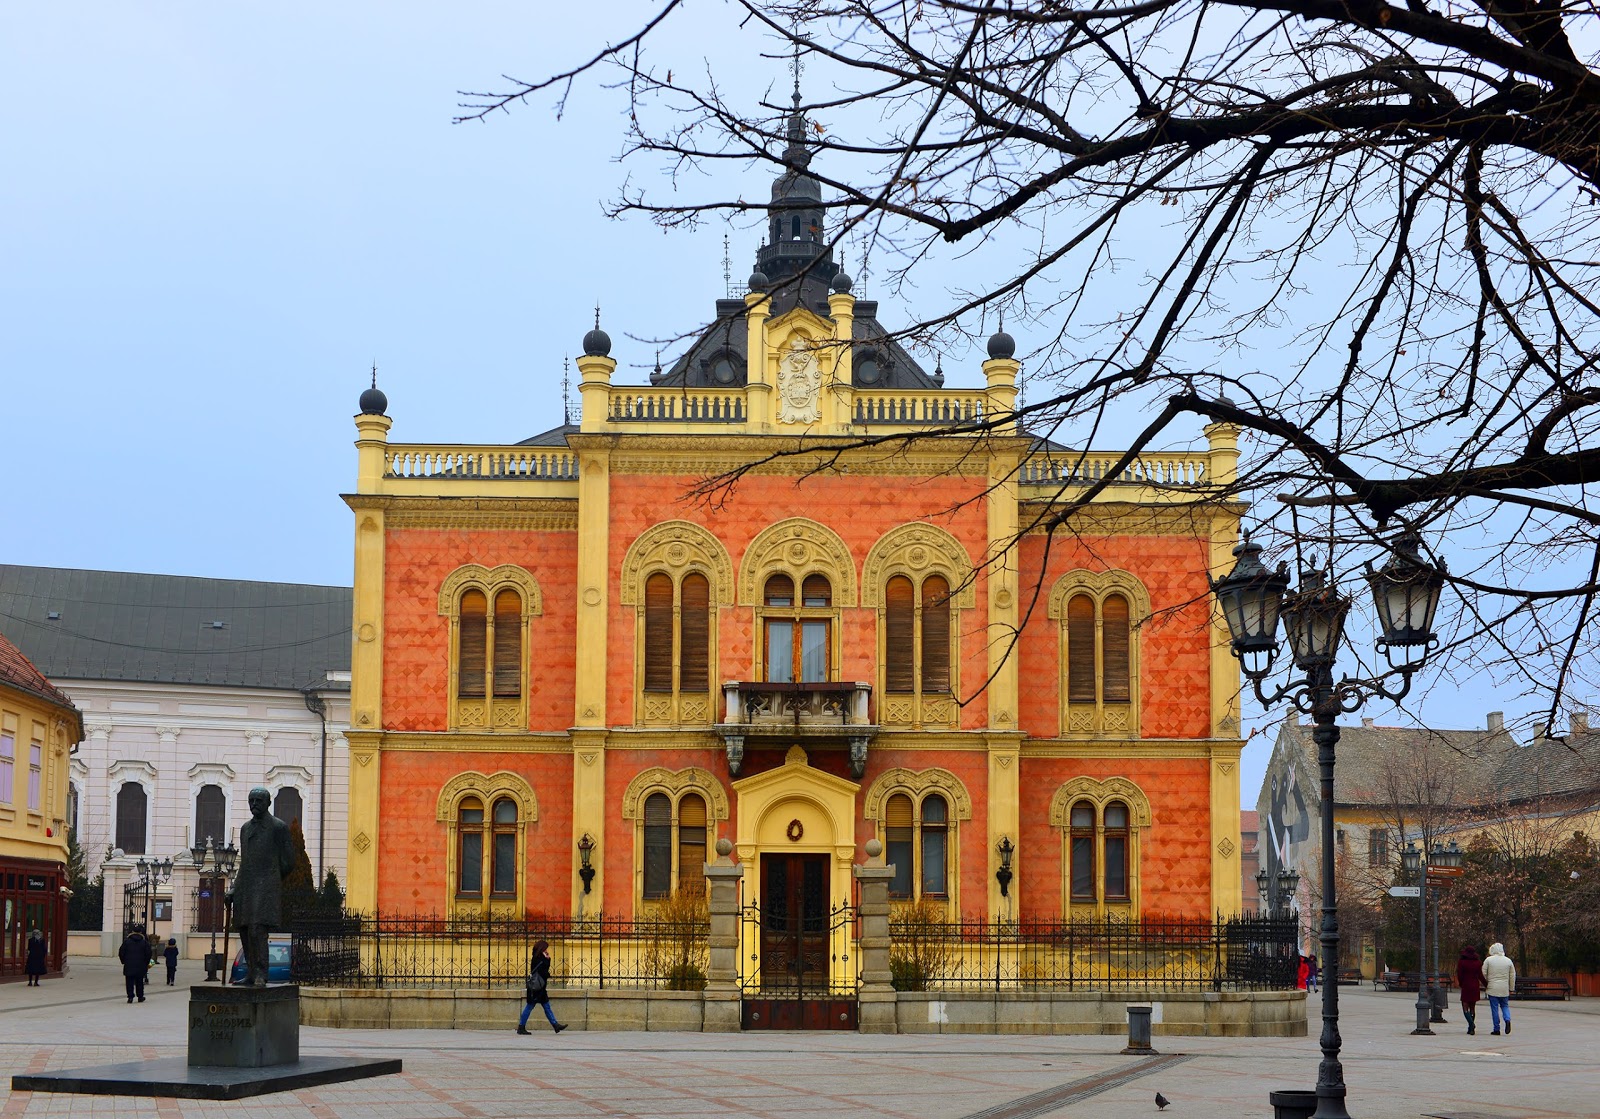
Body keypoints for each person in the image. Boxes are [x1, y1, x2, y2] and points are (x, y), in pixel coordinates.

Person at [229, 786, 294, 986]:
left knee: (258, 929)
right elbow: (245, 862)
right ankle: (250, 972)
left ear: (268, 803)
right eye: (252, 801)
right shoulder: (246, 828)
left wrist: (272, 878)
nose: (254, 804)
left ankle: (261, 974)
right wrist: (234, 889)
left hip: (266, 885)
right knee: (244, 929)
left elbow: (289, 861)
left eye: (258, 800)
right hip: (246, 886)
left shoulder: (278, 827)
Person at [516, 940, 566, 1035]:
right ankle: (521, 1027)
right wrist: (547, 959)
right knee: (530, 1006)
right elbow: (543, 971)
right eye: (545, 948)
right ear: (542, 948)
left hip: (539, 987)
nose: (547, 950)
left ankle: (555, 1025)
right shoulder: (539, 958)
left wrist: (547, 959)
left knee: (546, 1006)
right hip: (537, 988)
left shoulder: (536, 957)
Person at [1481, 942, 1517, 1035]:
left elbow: (1483, 973)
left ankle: (1496, 1028)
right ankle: (1507, 1019)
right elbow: (1512, 975)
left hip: (1492, 987)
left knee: (1494, 1008)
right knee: (1505, 1006)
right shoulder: (1508, 961)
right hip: (1504, 988)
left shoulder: (1488, 960)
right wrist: (1511, 988)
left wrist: (1485, 984)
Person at [1456, 945, 1482, 1034]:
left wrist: (1461, 983)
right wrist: (1486, 984)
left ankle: (1471, 1024)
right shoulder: (1478, 963)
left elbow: (1459, 974)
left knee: (1465, 1006)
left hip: (1466, 985)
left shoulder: (1462, 962)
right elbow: (1480, 975)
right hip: (1475, 985)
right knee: (1473, 1007)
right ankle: (1471, 1028)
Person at [119, 928, 149, 1002]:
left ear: (132, 931)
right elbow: (148, 953)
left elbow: (121, 952)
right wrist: (146, 963)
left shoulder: (126, 942)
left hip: (129, 964)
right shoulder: (144, 942)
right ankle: (140, 996)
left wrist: (124, 961)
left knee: (129, 981)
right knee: (139, 982)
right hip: (140, 965)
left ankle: (130, 997)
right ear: (141, 932)